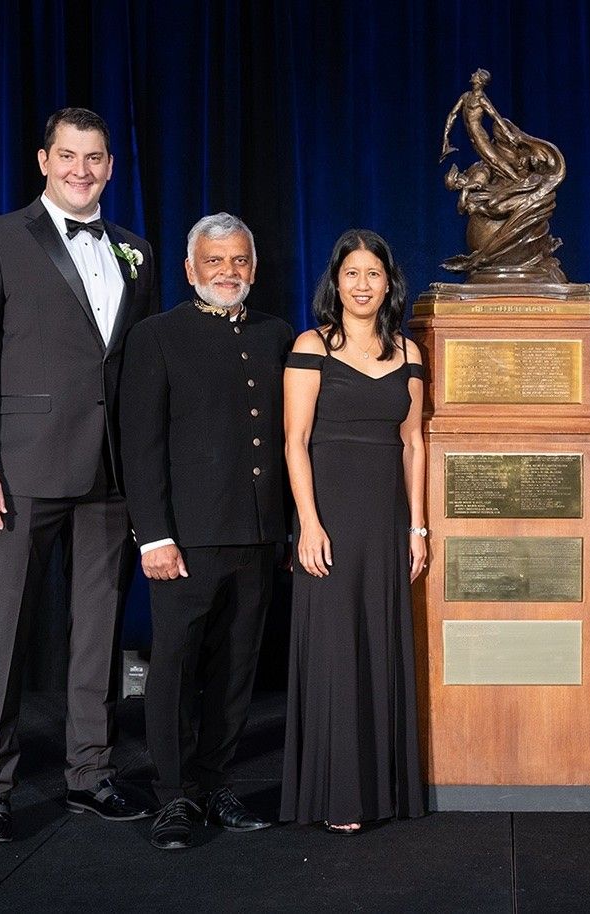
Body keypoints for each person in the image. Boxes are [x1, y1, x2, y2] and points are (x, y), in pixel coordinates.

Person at [0, 107, 157, 844]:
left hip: (111, 470)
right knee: (2, 629)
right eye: (68, 156)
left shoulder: (137, 249)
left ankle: (89, 774)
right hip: (21, 468)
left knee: (98, 631)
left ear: (110, 167)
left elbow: (139, 370)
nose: (80, 169)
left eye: (94, 158)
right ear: (43, 160)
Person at [120, 213, 291, 850]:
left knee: (236, 669)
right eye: (215, 261)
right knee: (174, 667)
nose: (229, 272)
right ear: (192, 269)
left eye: (239, 261)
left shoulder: (278, 335)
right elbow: (140, 448)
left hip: (258, 534)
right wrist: (153, 536)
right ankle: (173, 797)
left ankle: (215, 782)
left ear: (253, 267)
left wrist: (289, 530)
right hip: (184, 541)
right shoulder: (157, 335)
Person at [280, 229, 427, 834]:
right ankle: (339, 796)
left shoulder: (409, 353)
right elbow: (294, 442)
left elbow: (413, 442)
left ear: (388, 282)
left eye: (373, 273)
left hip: (387, 520)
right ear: (335, 283)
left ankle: (384, 791)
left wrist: (417, 527)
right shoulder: (311, 345)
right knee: (337, 650)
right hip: (331, 518)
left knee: (380, 642)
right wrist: (307, 524)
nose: (362, 285)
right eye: (351, 274)